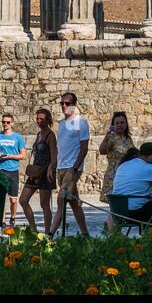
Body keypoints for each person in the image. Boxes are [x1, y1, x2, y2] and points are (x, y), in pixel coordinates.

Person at [50, 92, 91, 237]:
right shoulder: (61, 124)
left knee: (61, 200)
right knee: (73, 203)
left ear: (74, 105)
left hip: (72, 167)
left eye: (67, 103)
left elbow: (84, 147)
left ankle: (49, 235)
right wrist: (53, 165)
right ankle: (85, 234)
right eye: (62, 103)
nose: (64, 106)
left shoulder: (81, 123)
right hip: (61, 166)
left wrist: (75, 167)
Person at [110, 142, 152, 226]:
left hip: (118, 212)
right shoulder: (148, 167)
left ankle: (150, 232)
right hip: (136, 212)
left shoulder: (123, 165)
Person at [19, 108, 56, 232]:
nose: (39, 121)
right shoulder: (39, 135)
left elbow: (54, 155)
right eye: (37, 118)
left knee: (44, 205)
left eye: (41, 119)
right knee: (23, 200)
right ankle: (34, 230)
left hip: (45, 172)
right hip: (35, 172)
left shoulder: (50, 136)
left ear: (47, 120)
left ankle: (47, 234)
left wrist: (51, 169)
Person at [0, 112, 27, 227]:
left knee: (13, 200)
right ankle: (2, 221)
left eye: (8, 122)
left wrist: (11, 156)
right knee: (1, 197)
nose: (5, 124)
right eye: (3, 122)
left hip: (13, 171)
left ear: (12, 123)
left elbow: (23, 155)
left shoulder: (18, 137)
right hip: (1, 169)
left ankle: (13, 217)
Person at [97, 111, 134, 202]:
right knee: (114, 203)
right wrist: (107, 139)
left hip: (127, 174)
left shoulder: (128, 138)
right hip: (114, 174)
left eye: (122, 122)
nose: (120, 125)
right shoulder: (111, 137)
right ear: (113, 125)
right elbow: (102, 151)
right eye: (117, 123)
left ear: (126, 124)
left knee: (123, 203)